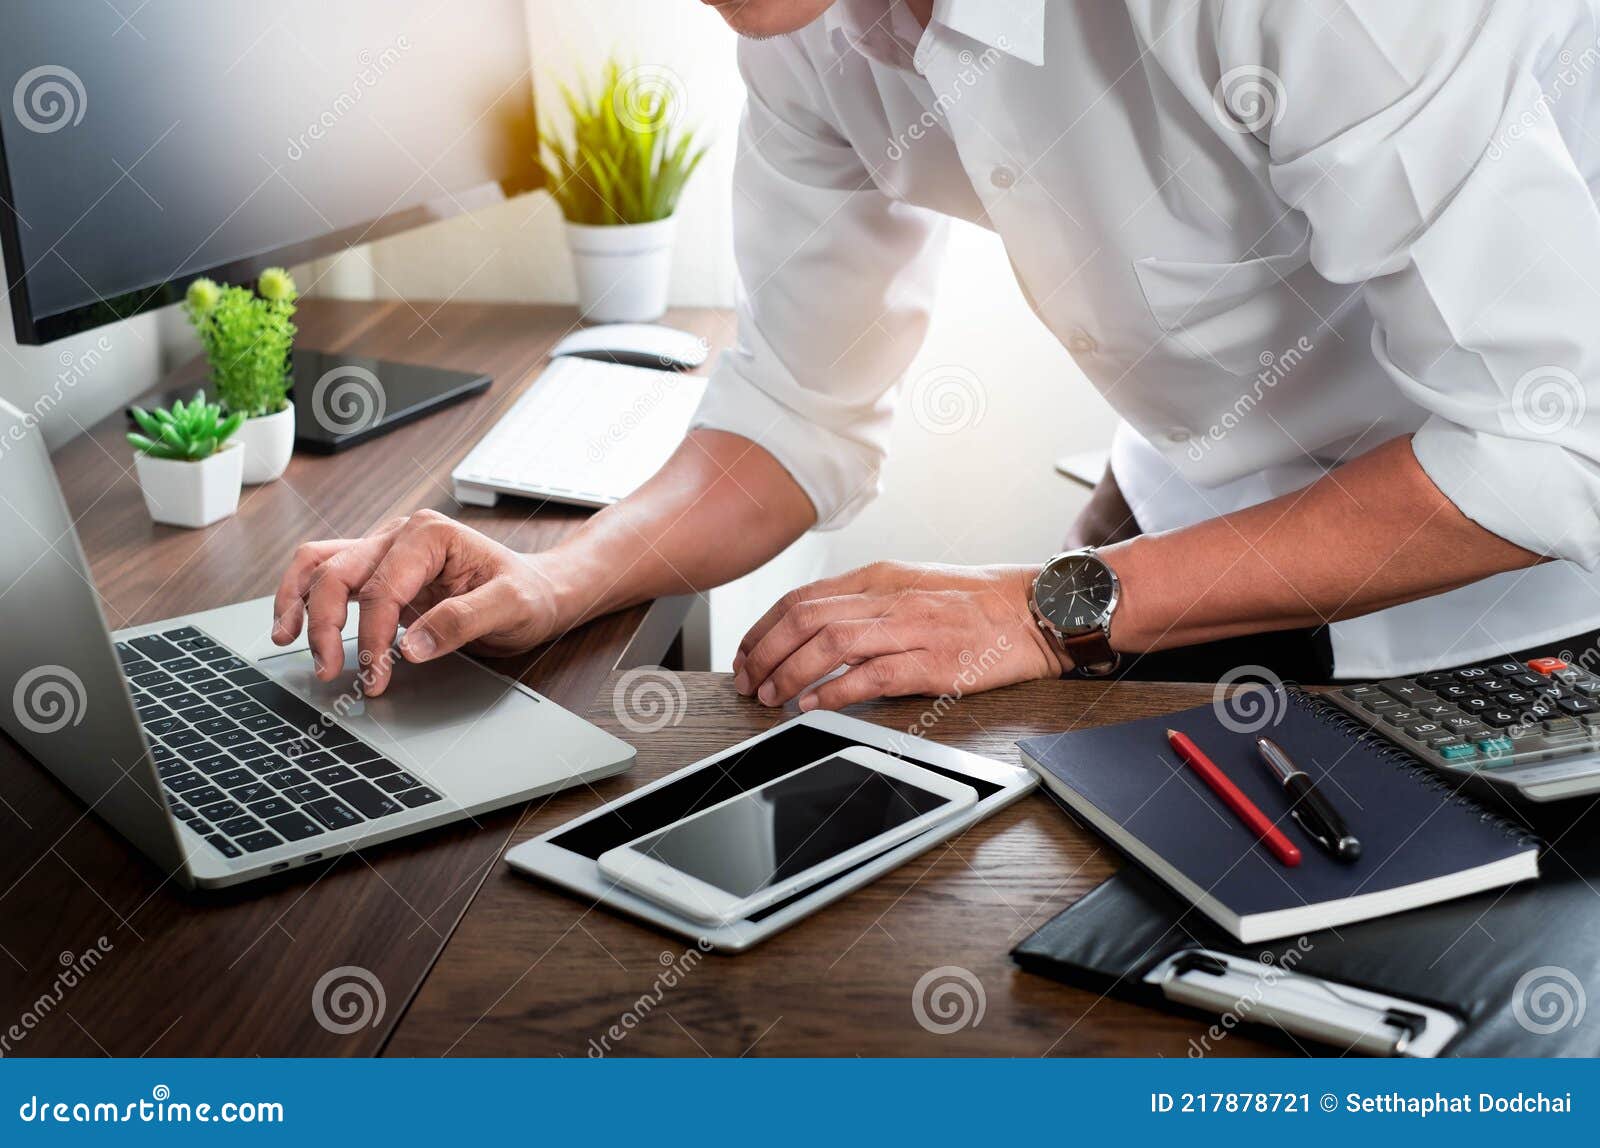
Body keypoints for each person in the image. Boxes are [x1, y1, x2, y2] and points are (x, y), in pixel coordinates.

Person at [273, 0, 1600, 709]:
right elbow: (795, 406)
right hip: (1177, 522)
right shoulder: (807, 41)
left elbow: (1548, 443)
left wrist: (1039, 608)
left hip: (1516, 611)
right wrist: (562, 579)